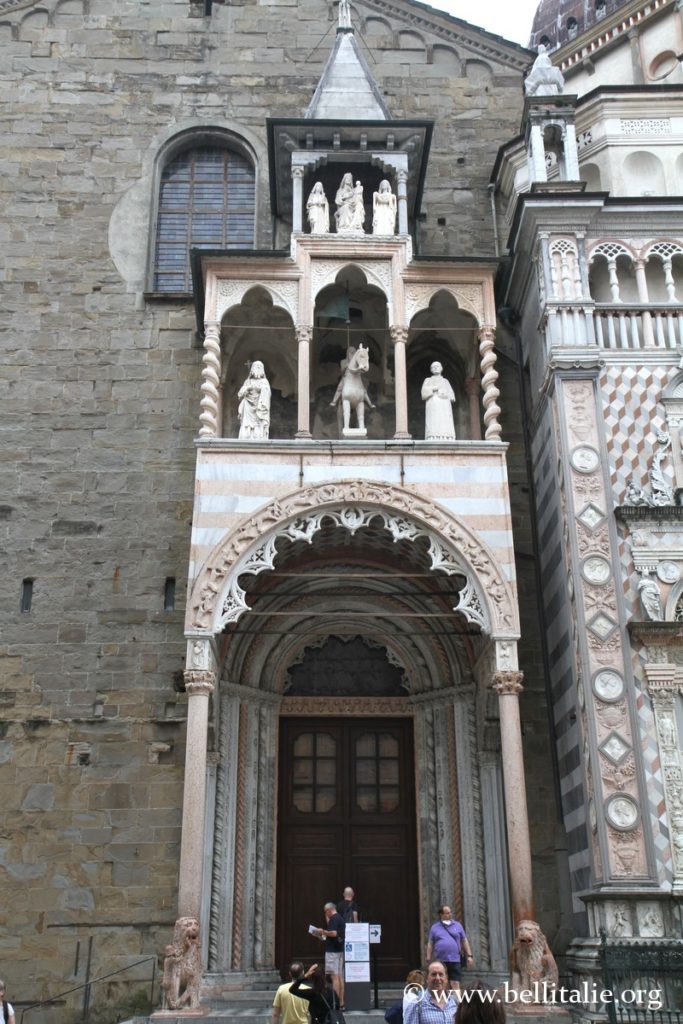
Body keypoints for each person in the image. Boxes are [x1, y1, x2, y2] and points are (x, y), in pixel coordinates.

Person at [425, 906, 473, 989]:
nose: (450, 914)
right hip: (441, 960)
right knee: (443, 982)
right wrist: (428, 958)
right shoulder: (435, 927)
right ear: (441, 915)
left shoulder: (457, 925)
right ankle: (444, 997)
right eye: (447, 913)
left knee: (455, 982)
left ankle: (457, 998)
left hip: (455, 959)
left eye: (450, 912)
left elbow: (464, 941)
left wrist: (469, 956)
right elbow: (430, 943)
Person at [312, 901, 346, 1006]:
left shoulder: (334, 919)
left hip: (332, 952)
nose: (325, 914)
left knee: (334, 977)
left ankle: (334, 1003)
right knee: (339, 977)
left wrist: (322, 931)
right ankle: (341, 1003)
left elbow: (333, 933)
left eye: (325, 912)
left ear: (329, 910)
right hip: (339, 951)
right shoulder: (340, 918)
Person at [421, 362, 456, 440]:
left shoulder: (445, 381)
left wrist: (445, 394)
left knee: (444, 421)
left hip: (444, 406)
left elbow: (452, 396)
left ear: (441, 368)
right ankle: (433, 436)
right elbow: (423, 393)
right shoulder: (428, 380)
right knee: (433, 421)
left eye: (437, 366)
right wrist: (434, 388)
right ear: (431, 370)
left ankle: (446, 436)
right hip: (433, 404)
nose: (435, 368)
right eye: (433, 367)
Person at [237, 360, 271, 439]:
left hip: (260, 406)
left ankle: (258, 435)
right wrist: (248, 388)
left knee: (259, 422)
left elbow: (267, 394)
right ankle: (246, 435)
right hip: (247, 406)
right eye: (256, 367)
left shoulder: (264, 382)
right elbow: (240, 394)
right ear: (252, 369)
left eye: (260, 367)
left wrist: (260, 389)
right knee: (246, 424)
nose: (257, 368)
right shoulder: (248, 381)